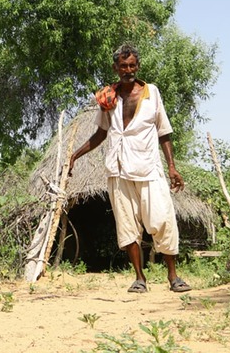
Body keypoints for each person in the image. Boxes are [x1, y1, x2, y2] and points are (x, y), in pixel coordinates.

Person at [68, 44, 191, 293]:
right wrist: (75, 155)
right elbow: (101, 133)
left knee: (162, 220)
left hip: (148, 167)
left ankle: (173, 276)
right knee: (127, 226)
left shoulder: (151, 93)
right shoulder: (108, 98)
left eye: (132, 65)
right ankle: (139, 278)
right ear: (115, 68)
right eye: (123, 66)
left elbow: (164, 132)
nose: (128, 70)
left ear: (138, 66)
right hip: (119, 169)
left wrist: (172, 167)